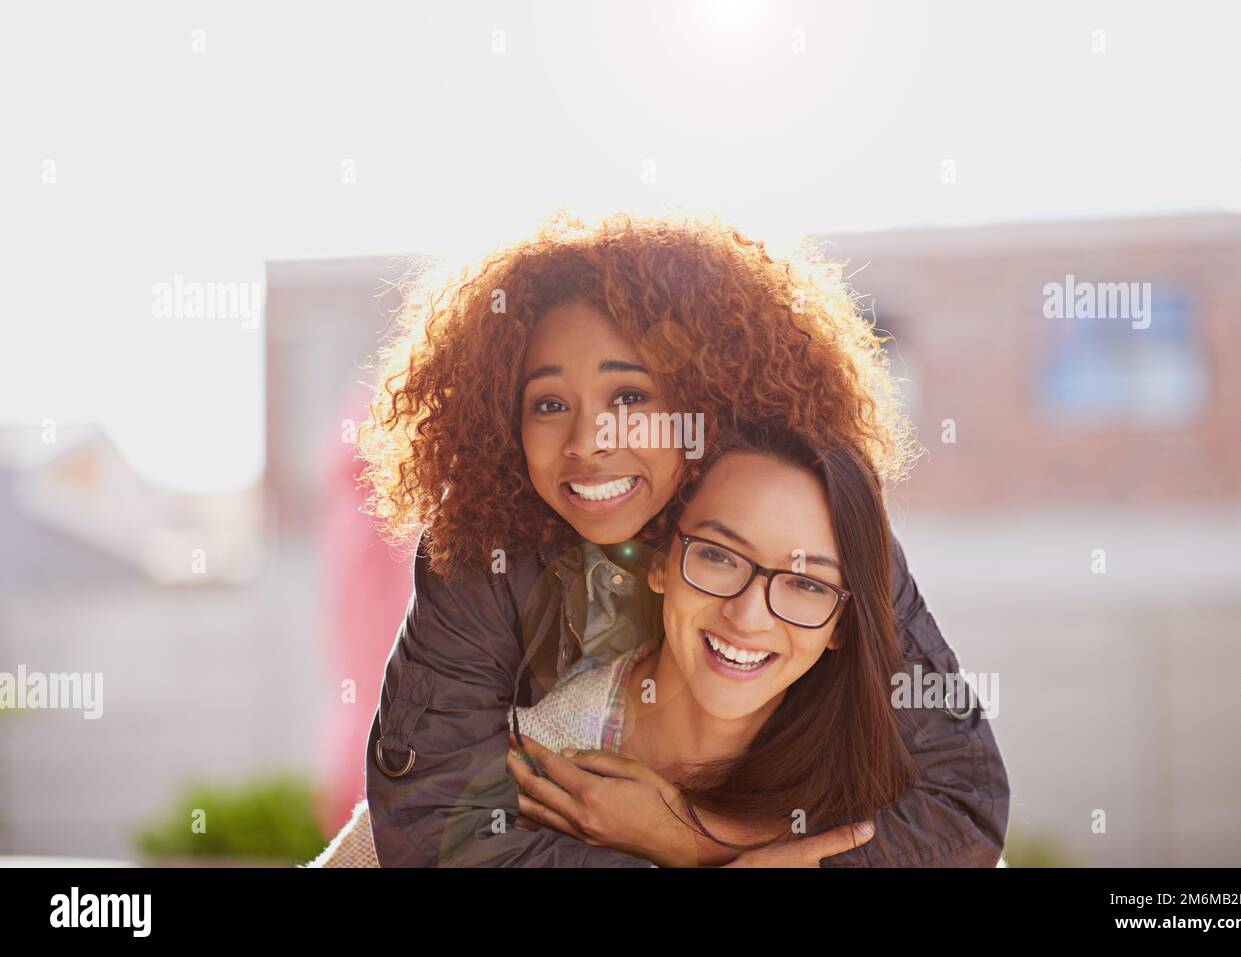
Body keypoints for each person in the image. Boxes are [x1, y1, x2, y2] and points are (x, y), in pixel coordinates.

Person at [346, 209, 1008, 866]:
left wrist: (697, 839)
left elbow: (963, 807)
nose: (587, 443)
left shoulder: (816, 523)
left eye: (630, 398)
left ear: (705, 399)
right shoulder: (478, 550)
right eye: (549, 404)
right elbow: (434, 826)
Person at [505, 423, 923, 866]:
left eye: (805, 583)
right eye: (718, 555)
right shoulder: (542, 757)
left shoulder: (890, 790)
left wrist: (687, 838)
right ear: (661, 563)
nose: (747, 616)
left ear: (840, 626)